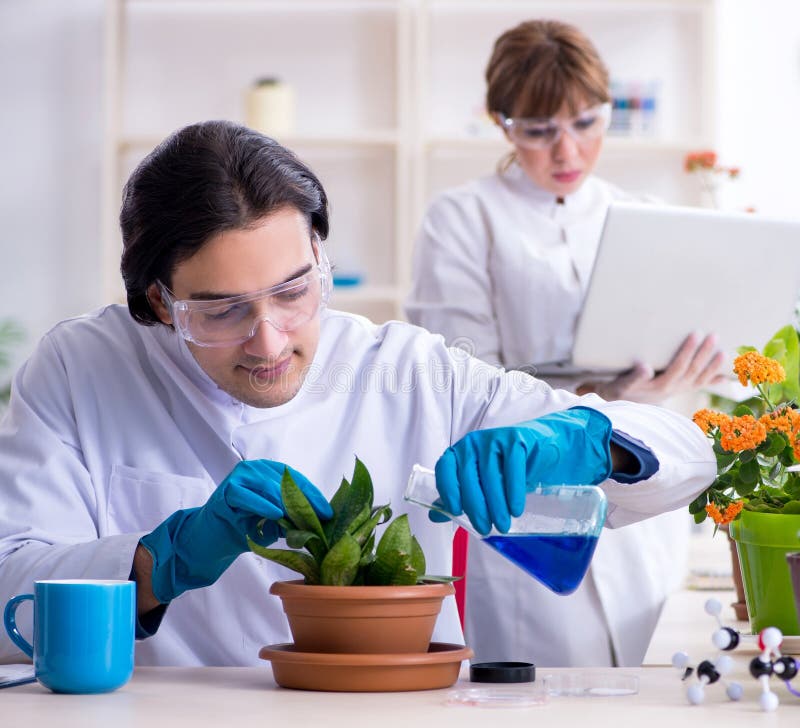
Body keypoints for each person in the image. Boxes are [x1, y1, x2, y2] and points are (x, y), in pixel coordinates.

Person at [0, 120, 714, 667]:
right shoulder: (80, 370)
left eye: (293, 291)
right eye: (222, 312)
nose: (270, 340)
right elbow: (9, 599)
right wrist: (160, 561)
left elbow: (690, 460)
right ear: (158, 301)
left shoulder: (403, 369)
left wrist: (586, 441)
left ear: (320, 260)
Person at [405, 20, 726, 667]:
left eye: (586, 123)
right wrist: (604, 398)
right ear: (502, 124)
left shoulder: (642, 214)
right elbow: (459, 381)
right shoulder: (462, 218)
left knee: (655, 691)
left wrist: (680, 376)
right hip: (532, 515)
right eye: (539, 130)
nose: (567, 150)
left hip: (640, 511)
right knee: (551, 697)